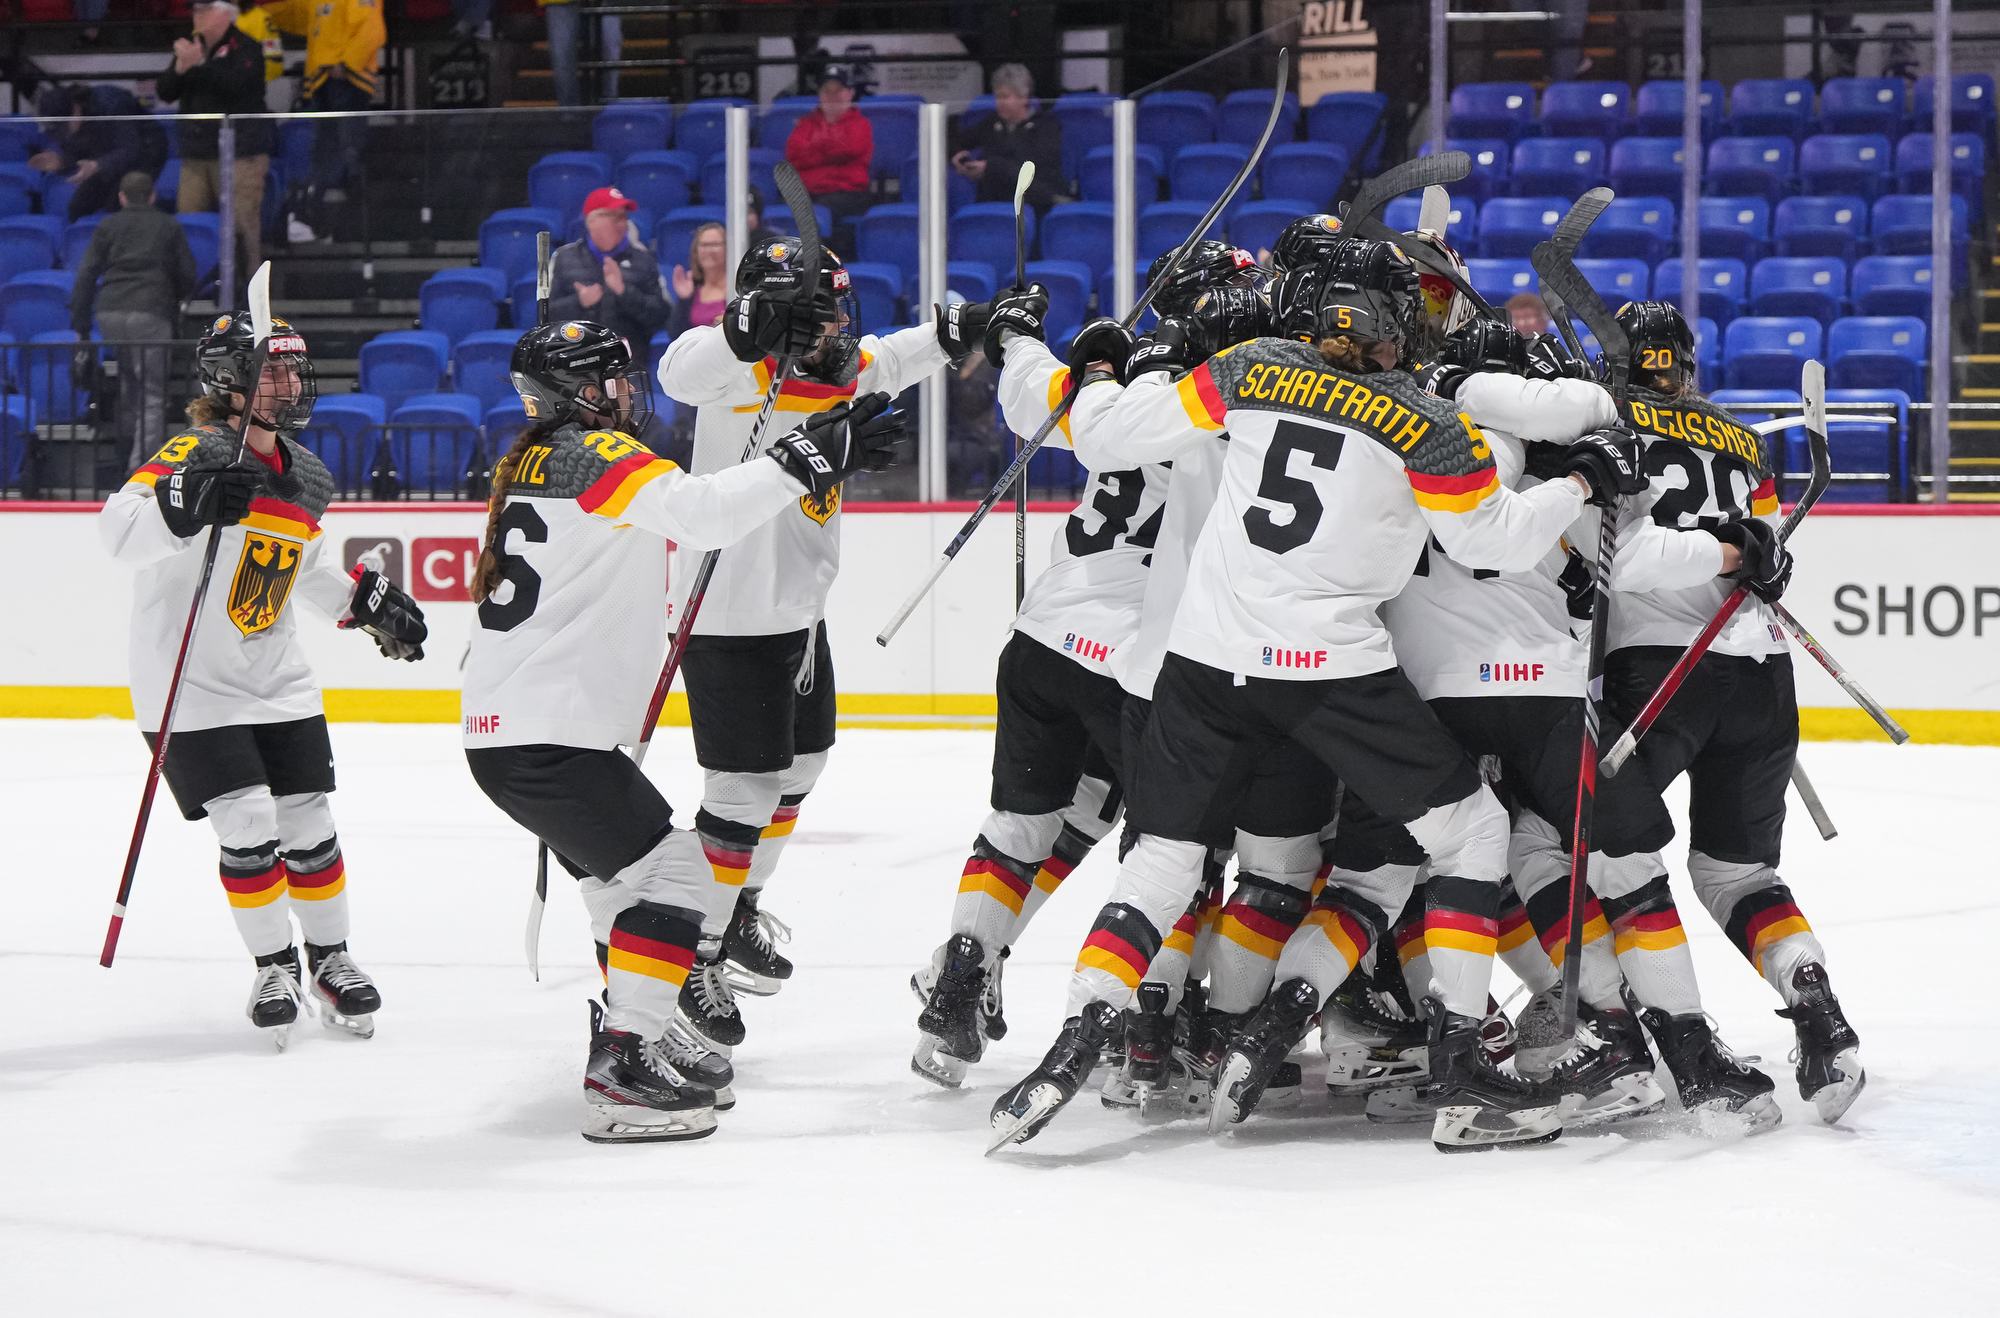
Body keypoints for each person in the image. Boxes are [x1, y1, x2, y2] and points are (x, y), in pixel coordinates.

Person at [984, 237, 1642, 1154]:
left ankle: (1081, 1033)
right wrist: (1582, 479)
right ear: (1386, 321)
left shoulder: (1252, 367)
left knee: (1164, 860)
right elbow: (1495, 542)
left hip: (1202, 663)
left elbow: (1101, 433)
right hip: (1327, 671)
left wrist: (1096, 371)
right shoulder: (1426, 420)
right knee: (1473, 832)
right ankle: (1459, 1072)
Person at [461, 316, 905, 1142]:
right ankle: (624, 1064)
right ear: (585, 391)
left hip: (526, 730)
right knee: (680, 880)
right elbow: (703, 514)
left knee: (614, 886)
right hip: (547, 735)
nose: (631, 392)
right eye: (616, 378)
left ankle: (646, 1028)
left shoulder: (533, 459)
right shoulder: (600, 456)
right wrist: (807, 455)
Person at [657, 238, 980, 1049]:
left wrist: (962, 330)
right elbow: (677, 372)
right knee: (741, 792)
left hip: (799, 614)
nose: (840, 321)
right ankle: (692, 953)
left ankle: (737, 911)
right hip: (730, 612)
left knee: (802, 767)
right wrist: (743, 331)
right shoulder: (731, 373)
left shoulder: (835, 367)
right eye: (823, 307)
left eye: (842, 305)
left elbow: (892, 356)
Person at [96, 310, 428, 1045]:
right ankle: (272, 965)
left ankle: (332, 959)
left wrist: (361, 604)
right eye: (270, 370)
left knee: (309, 822)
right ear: (229, 379)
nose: (288, 383)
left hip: (277, 680)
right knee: (247, 823)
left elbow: (298, 567)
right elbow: (119, 534)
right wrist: (185, 504)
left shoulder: (306, 475)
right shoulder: (194, 449)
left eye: (292, 368)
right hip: (189, 688)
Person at [1603, 299, 1865, 1124]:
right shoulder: (1741, 439)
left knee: (1603, 854)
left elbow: (1620, 557)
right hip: (1759, 674)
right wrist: (1758, 560)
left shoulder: (1608, 424)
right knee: (1737, 873)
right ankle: (1816, 1003)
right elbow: (1770, 553)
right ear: (1686, 361)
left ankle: (1629, 1036)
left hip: (1659, 673)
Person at [70, 171, 198, 469]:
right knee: (153, 392)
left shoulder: (108, 225)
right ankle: (140, 468)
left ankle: (123, 453)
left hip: (110, 311)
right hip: (151, 310)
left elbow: (87, 273)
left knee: (129, 383)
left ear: (122, 197)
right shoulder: (167, 225)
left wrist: (81, 325)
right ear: (152, 196)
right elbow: (186, 273)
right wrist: (176, 298)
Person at [157, 0, 274, 283]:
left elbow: (236, 88)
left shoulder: (247, 47)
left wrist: (199, 65)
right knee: (190, 222)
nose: (196, 16)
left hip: (240, 152)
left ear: (223, 13)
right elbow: (166, 92)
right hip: (197, 153)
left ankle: (250, 296)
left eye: (203, 10)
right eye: (195, 10)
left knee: (242, 226)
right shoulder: (192, 46)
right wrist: (181, 69)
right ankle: (193, 288)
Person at [256, 0, 384, 240]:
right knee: (322, 149)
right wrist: (260, 12)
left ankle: (350, 208)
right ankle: (317, 216)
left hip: (347, 80)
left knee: (347, 147)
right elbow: (296, 13)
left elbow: (371, 29)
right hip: (322, 79)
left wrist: (347, 63)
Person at [547, 186, 670, 352]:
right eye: (614, 217)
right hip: (576, 359)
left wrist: (624, 291)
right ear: (591, 221)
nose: (622, 223)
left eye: (624, 216)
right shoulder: (564, 257)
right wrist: (580, 302)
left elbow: (660, 316)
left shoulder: (644, 260)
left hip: (627, 361)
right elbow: (547, 315)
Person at [30, 84, 168, 222]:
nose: (64, 133)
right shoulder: (61, 124)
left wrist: (98, 165)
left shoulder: (111, 104)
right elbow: (76, 154)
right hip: (105, 157)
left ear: (76, 109)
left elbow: (131, 149)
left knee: (119, 203)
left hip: (147, 149)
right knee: (78, 208)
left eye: (65, 125)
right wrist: (61, 162)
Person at [783, 67, 874, 252]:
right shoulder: (806, 123)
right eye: (827, 90)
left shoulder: (860, 124)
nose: (832, 96)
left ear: (850, 93)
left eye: (838, 90)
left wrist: (815, 147)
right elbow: (794, 155)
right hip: (809, 192)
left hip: (848, 194)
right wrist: (830, 149)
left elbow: (849, 149)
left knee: (815, 212)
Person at [954, 64, 1067, 210]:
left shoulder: (1047, 127)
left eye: (1005, 96)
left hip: (1034, 204)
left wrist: (989, 167)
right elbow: (956, 139)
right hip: (992, 203)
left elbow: (1026, 169)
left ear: (1023, 97)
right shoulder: (991, 123)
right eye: (997, 97)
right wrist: (957, 155)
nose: (999, 102)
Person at [538, 0, 621, 107]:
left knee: (609, 48)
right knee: (562, 59)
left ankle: (609, 107)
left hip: (604, 2)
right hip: (560, 2)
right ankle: (570, 114)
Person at [667, 221, 729, 338]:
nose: (709, 250)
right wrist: (684, 301)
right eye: (704, 245)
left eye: (715, 244)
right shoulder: (692, 288)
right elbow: (675, 336)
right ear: (696, 251)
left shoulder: (739, 286)